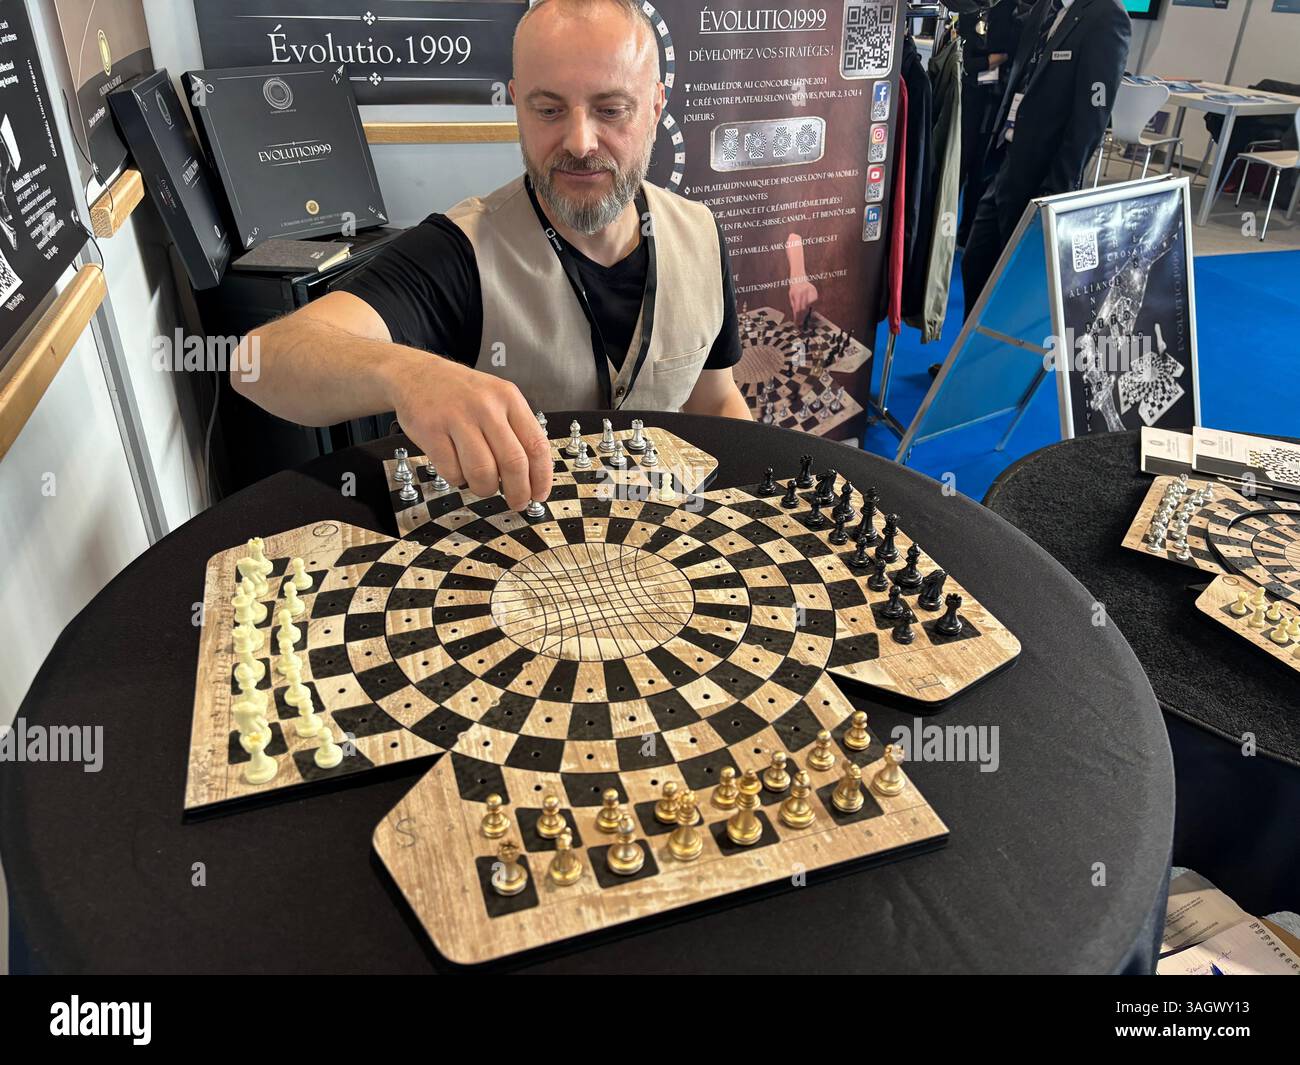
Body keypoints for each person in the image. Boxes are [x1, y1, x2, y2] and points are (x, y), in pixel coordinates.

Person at [232, 0, 749, 513]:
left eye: (611, 110)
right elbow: (258, 364)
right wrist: (407, 374)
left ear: (656, 105)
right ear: (516, 102)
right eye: (548, 110)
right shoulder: (458, 251)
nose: (580, 141)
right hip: (497, 576)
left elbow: (716, 401)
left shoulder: (700, 235)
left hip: (664, 562)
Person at [959, 0, 1130, 320]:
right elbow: (1016, 70)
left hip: (1043, 177)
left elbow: (1091, 119)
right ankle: (969, 362)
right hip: (1006, 162)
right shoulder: (1043, 9)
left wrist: (1057, 189)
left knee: (1016, 286)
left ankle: (997, 367)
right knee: (977, 262)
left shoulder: (1107, 17)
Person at [955, 0, 1023, 248]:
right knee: (957, 167)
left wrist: (988, 62)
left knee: (981, 174)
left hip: (996, 103)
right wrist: (989, 62)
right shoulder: (967, 9)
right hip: (968, 100)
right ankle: (946, 229)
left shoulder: (1011, 10)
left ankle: (967, 236)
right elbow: (965, 61)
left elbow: (1009, 56)